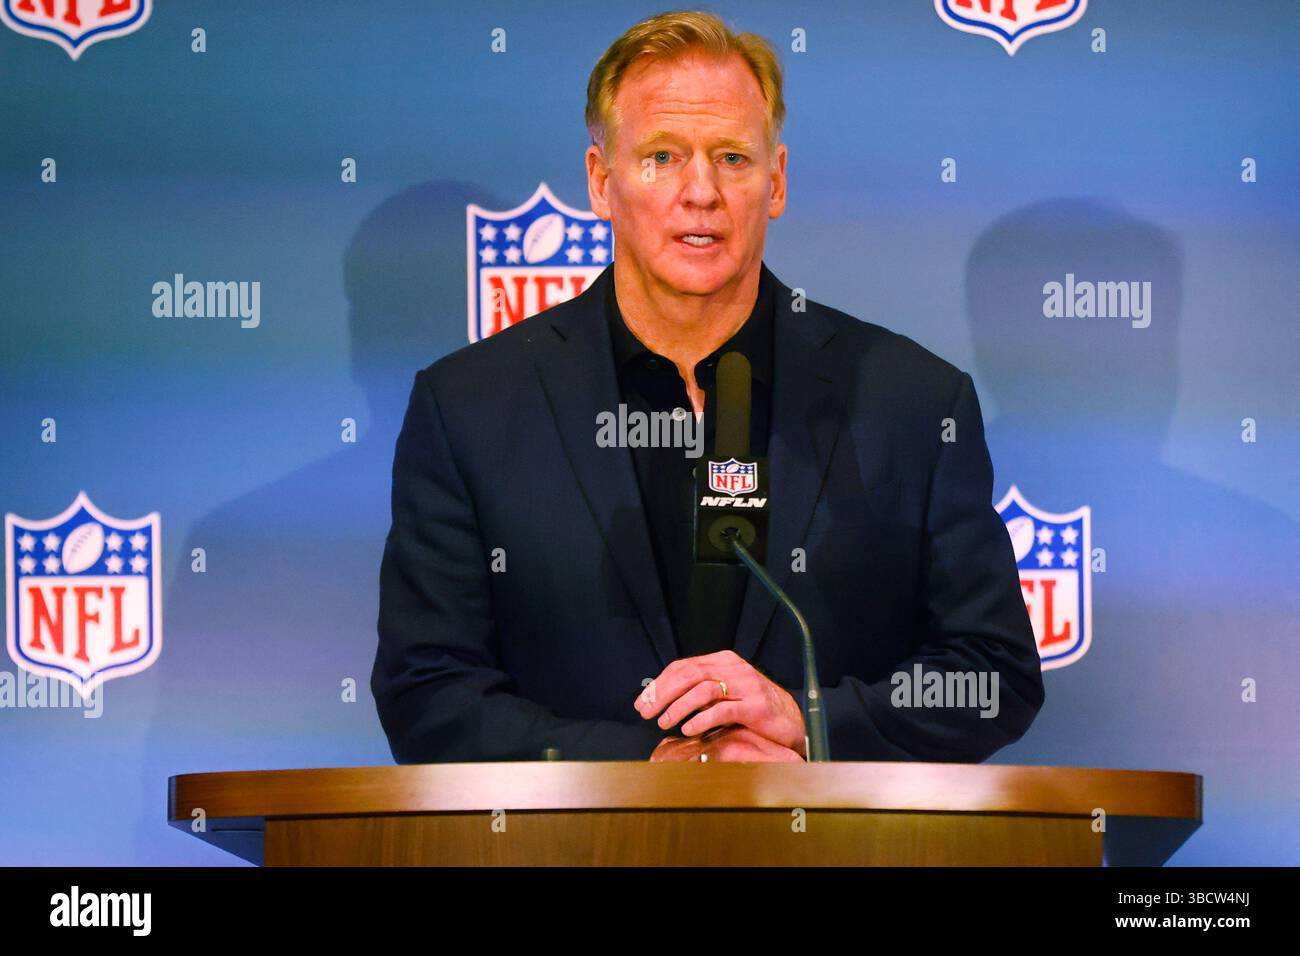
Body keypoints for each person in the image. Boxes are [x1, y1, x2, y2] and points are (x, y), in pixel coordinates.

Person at [371, 10, 1044, 763]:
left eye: (732, 157)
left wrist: (810, 722)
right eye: (662, 156)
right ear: (601, 181)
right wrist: (647, 768)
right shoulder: (472, 408)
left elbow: (991, 674)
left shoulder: (913, 403)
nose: (702, 192)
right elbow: (427, 690)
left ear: (777, 181)